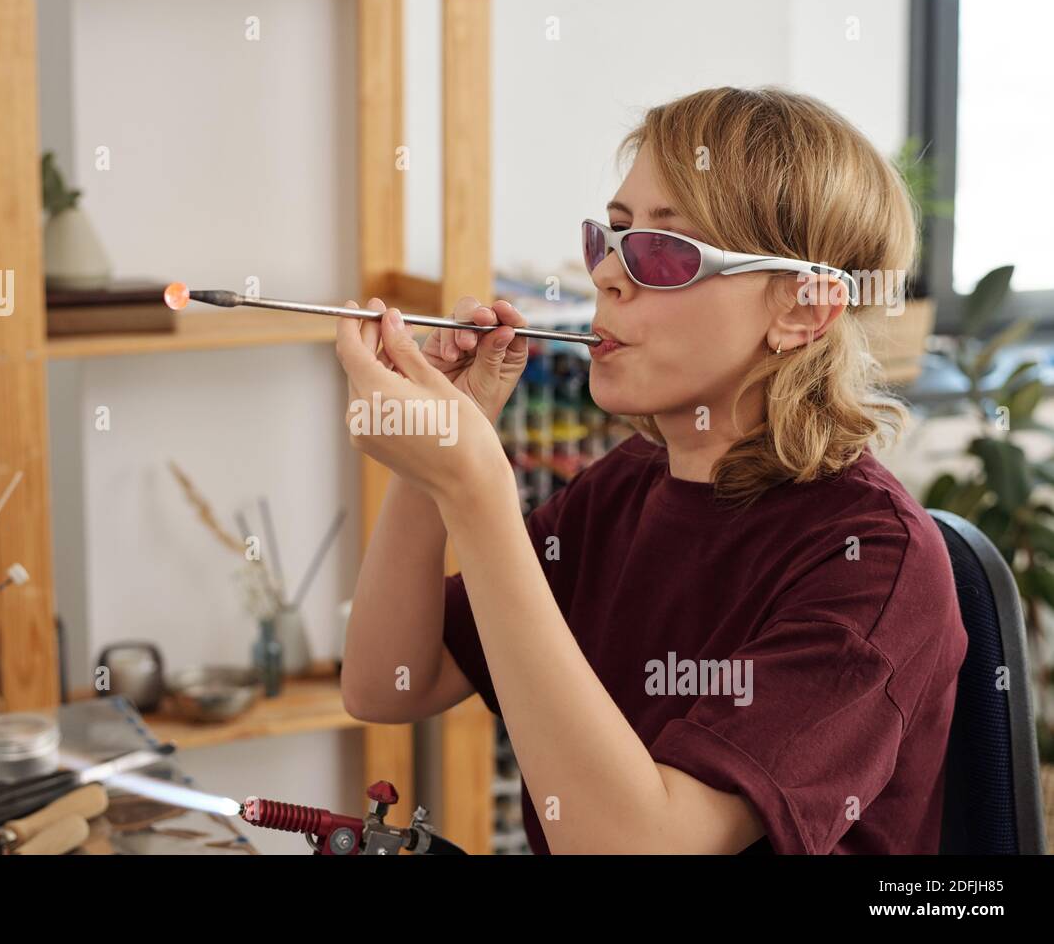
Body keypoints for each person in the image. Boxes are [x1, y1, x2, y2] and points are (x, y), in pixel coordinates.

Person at [335, 86, 967, 854]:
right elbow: (387, 680)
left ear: (802, 308)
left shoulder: (872, 565)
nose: (606, 276)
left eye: (665, 252)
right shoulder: (627, 486)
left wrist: (477, 490)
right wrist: (433, 462)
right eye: (613, 236)